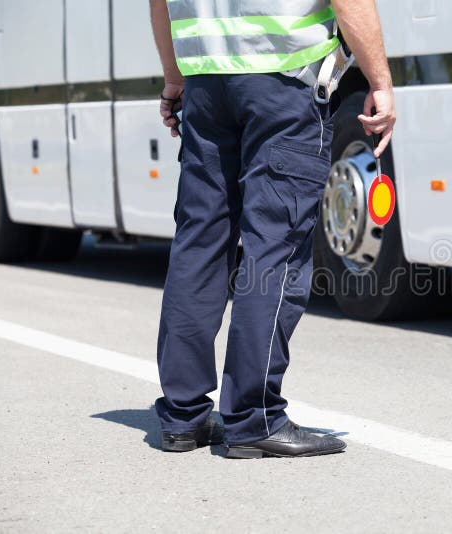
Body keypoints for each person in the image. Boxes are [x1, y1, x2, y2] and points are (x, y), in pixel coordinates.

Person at [149, 0, 395, 459]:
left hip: (206, 86)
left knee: (198, 244)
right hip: (284, 87)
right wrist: (379, 81)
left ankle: (182, 417)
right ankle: (253, 416)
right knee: (275, 249)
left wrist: (175, 78)